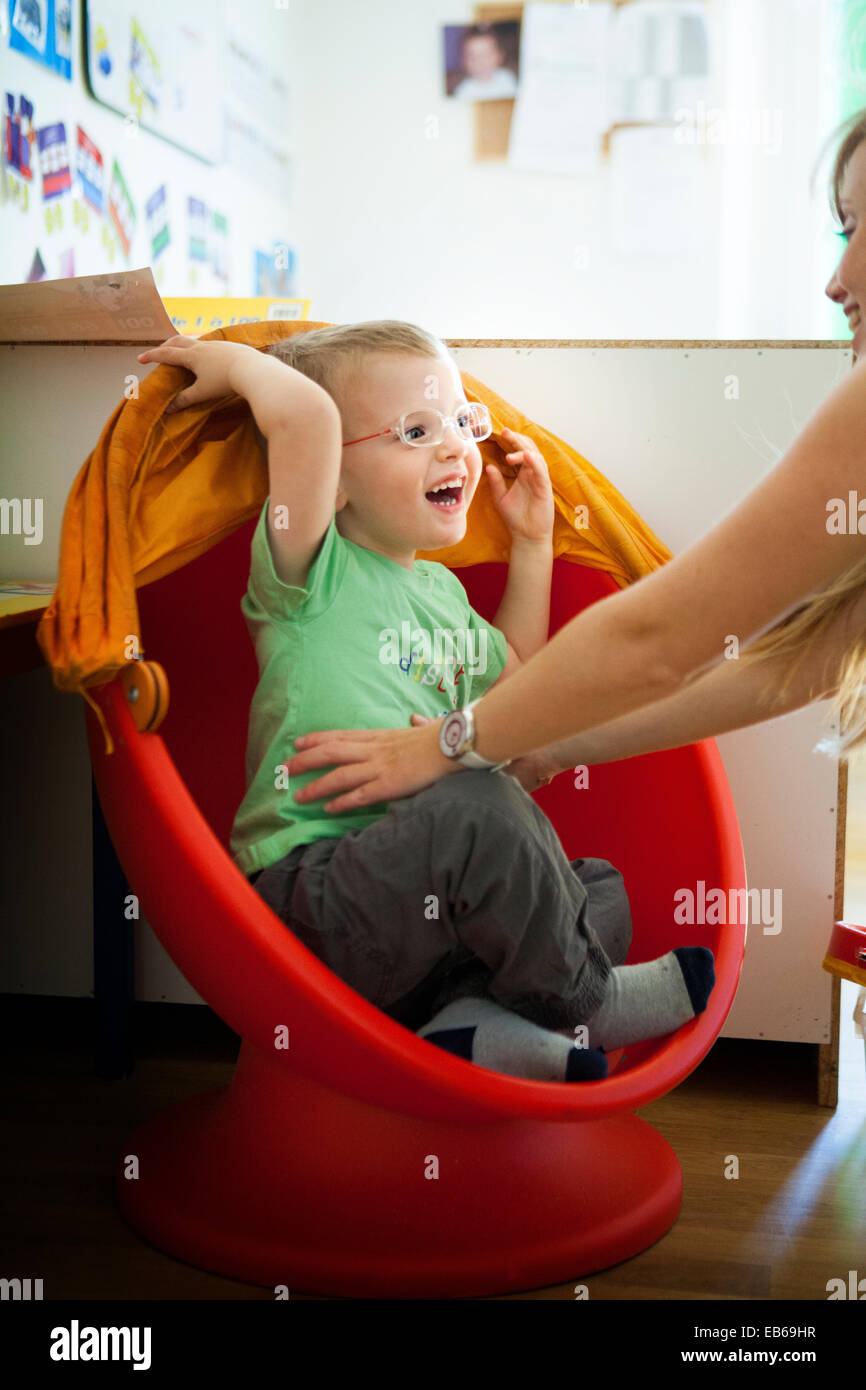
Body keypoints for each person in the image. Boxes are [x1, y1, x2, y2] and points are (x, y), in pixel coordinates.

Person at [136, 320, 716, 1085]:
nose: (454, 448)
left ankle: (471, 1023)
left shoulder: (440, 596)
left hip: (428, 934)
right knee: (481, 804)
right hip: (319, 901)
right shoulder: (309, 572)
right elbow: (304, 419)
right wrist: (235, 363)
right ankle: (586, 997)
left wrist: (533, 544)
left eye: (459, 422)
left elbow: (518, 693)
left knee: (592, 885)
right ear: (331, 479)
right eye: (415, 431)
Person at [285, 108, 866, 817]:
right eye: (844, 229)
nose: (837, 280)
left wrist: (446, 742)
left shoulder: (442, 599)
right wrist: (539, 747)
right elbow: (809, 658)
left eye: (859, 229)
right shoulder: (311, 573)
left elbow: (651, 643)